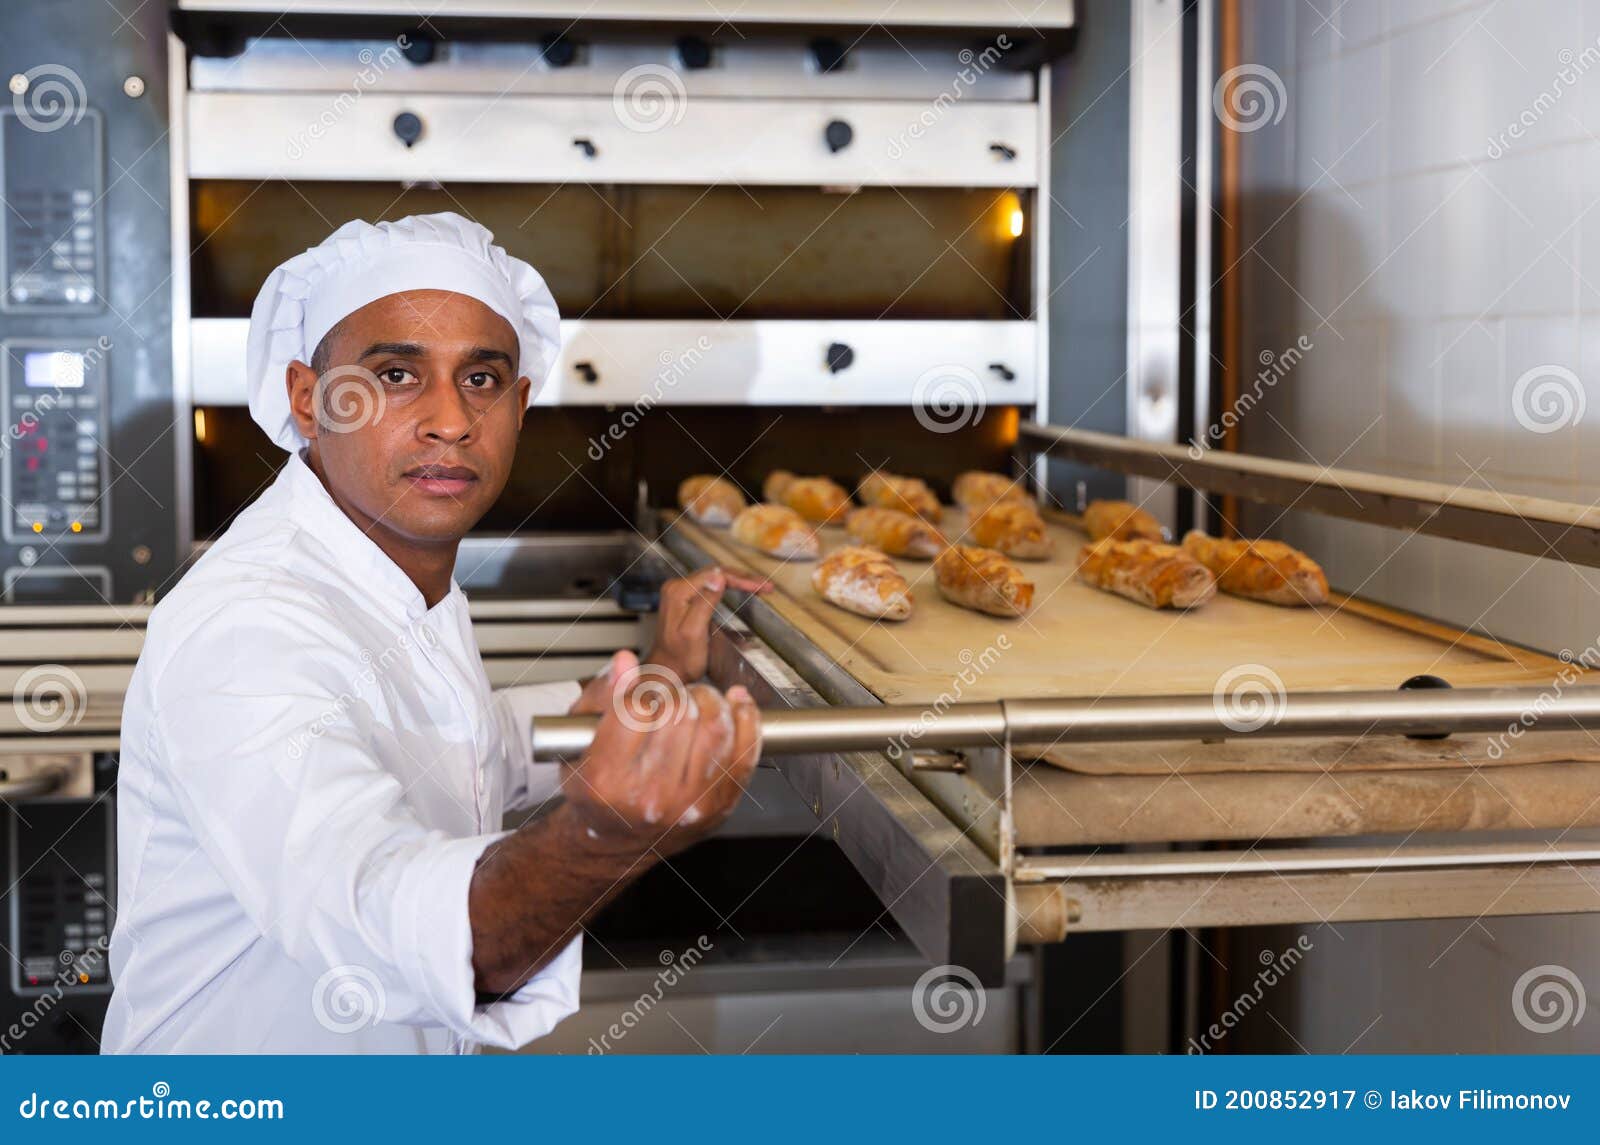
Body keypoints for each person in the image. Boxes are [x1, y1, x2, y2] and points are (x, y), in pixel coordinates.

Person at [104, 213, 766, 1052]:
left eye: (482, 380)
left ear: (520, 405)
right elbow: (385, 915)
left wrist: (642, 684)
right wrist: (603, 833)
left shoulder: (399, 572)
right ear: (309, 398)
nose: (450, 420)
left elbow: (435, 742)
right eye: (396, 374)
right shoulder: (244, 627)